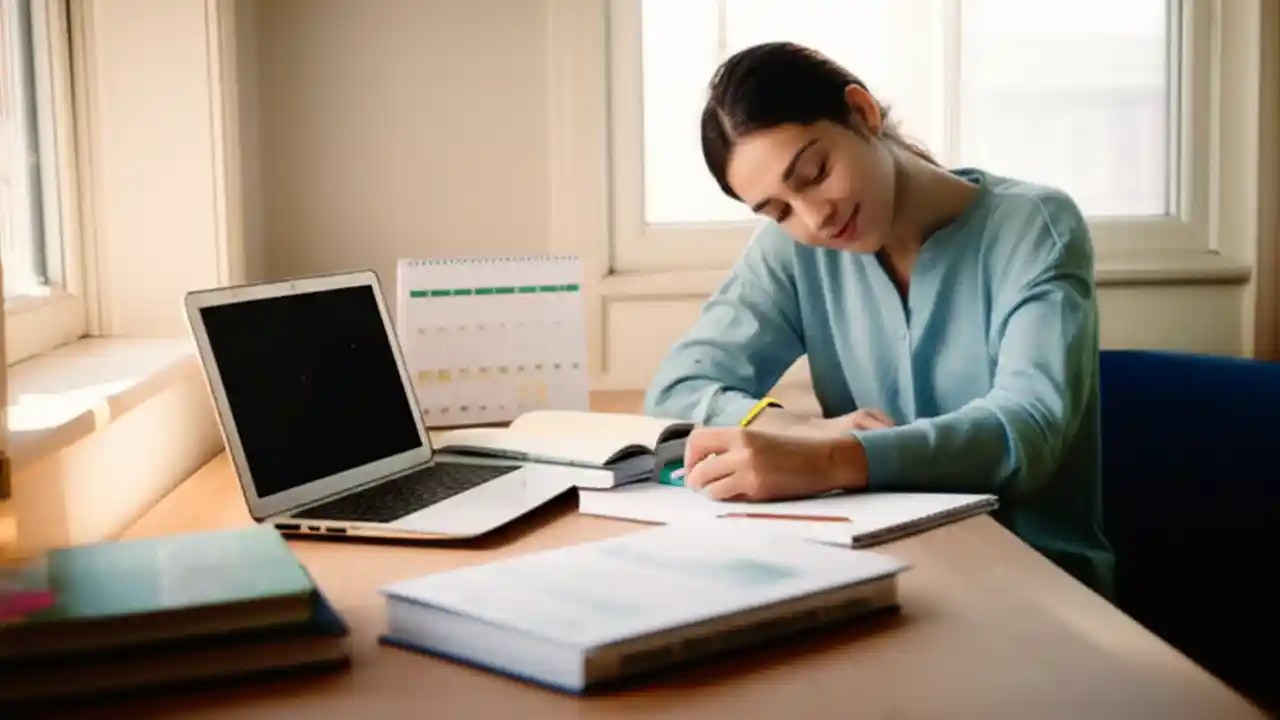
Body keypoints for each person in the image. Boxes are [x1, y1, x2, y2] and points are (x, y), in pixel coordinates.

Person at [644, 41, 1114, 598]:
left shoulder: (1033, 226)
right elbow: (676, 391)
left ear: (862, 113)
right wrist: (798, 430)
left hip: (1033, 583)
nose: (814, 218)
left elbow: (1027, 429)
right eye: (778, 211)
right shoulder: (791, 252)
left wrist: (831, 461)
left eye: (815, 173)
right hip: (872, 572)